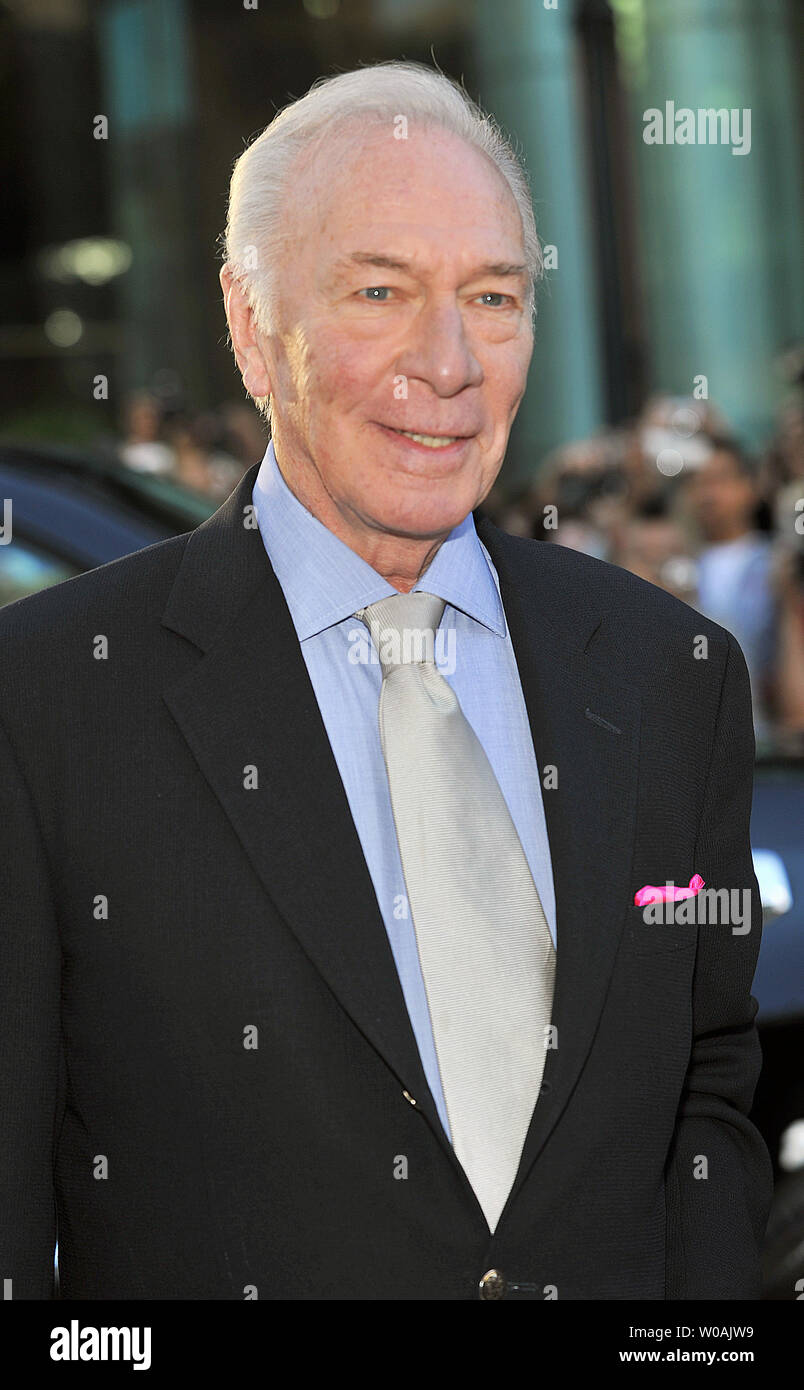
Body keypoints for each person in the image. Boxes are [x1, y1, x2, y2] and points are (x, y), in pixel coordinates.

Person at [0, 62, 772, 1301]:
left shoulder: (669, 674)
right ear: (251, 325)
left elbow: (707, 1092)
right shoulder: (46, 703)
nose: (448, 362)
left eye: (493, 296)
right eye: (380, 291)